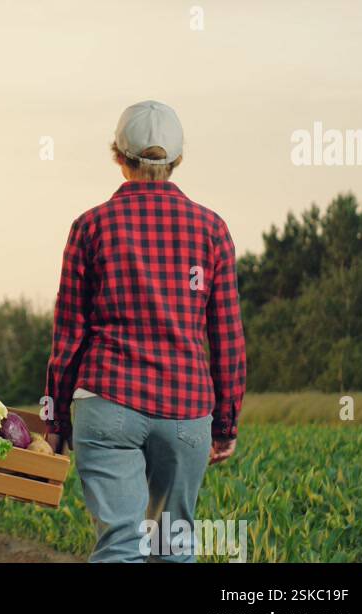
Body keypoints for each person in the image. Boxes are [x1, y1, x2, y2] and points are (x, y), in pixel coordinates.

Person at [44, 101, 246, 562]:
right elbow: (228, 338)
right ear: (177, 160)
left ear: (118, 155)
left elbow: (69, 335)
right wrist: (226, 422)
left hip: (107, 401)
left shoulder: (90, 226)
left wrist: (55, 419)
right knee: (173, 546)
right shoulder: (212, 229)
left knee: (119, 544)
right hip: (186, 409)